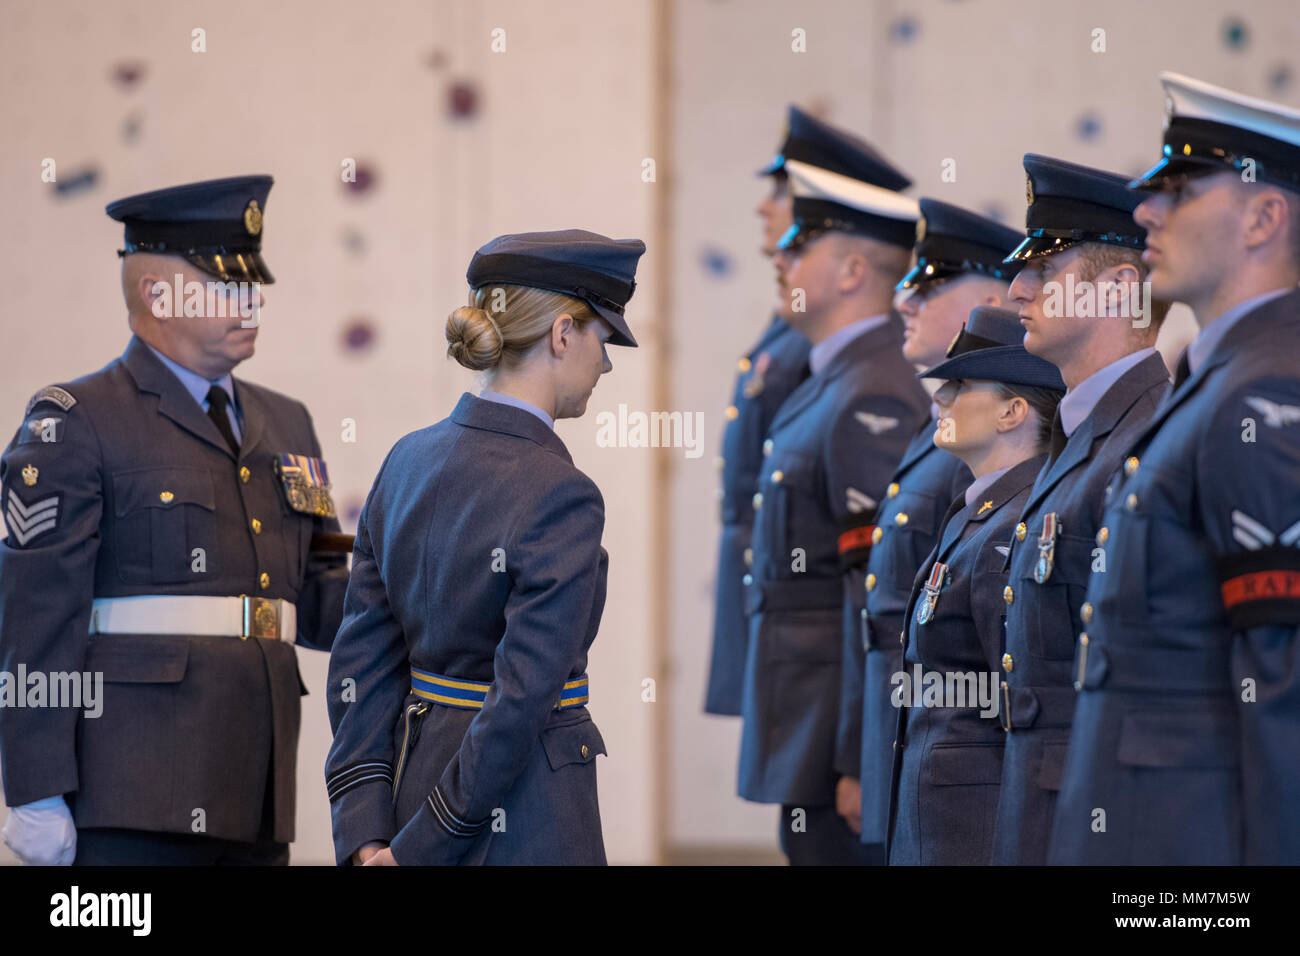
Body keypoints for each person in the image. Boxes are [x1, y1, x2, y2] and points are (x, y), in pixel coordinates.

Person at [0, 176, 349, 866]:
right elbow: (36, 618)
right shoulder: (77, 420)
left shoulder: (287, 421)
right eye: (227, 285)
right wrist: (35, 791)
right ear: (158, 295)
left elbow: (316, 597)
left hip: (256, 794)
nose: (252, 301)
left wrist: (433, 586)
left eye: (255, 283)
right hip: (133, 799)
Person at [324, 229, 644, 866]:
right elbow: (521, 698)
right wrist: (422, 849)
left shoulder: (405, 459)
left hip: (406, 799)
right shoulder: (563, 493)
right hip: (522, 817)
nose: (605, 366)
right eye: (603, 341)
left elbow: (360, 664)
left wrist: (367, 836)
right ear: (561, 334)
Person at [1050, 73, 1300, 865]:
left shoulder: (1266, 388)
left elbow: (1285, 679)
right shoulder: (1216, 380)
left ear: (1265, 215)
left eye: (1182, 190)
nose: (1146, 211)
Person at [737, 145, 929, 865]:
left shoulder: (871, 390)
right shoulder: (834, 378)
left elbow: (874, 592)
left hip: (834, 739)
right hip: (807, 725)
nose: (781, 257)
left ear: (853, 272)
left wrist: (860, 752)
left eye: (802, 243)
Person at [989, 155, 1172, 865]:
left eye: (1046, 270)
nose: (1016, 289)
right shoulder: (1086, 436)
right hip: (1043, 802)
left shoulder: (1146, 437)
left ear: (1121, 290)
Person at [847, 198, 1022, 857]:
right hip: (909, 730)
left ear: (993, 294)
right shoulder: (945, 422)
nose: (904, 300)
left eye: (930, 282)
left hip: (949, 756)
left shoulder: (991, 444)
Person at [886, 306, 1064, 866]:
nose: (940, 398)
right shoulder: (980, 511)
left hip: (976, 827)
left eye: (960, 385)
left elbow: (1021, 708)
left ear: (1013, 410)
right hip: (945, 815)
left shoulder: (1016, 522)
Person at [705, 105, 818, 717]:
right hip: (762, 568)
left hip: (792, 584)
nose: (762, 205)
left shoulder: (816, 336)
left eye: (781, 191)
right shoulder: (788, 320)